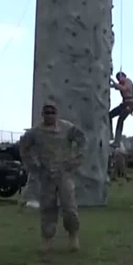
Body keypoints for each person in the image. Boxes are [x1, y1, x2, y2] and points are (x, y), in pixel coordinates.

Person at [19, 102, 86, 252]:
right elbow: (24, 147)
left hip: (64, 173)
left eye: (52, 112)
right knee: (47, 208)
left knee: (69, 207)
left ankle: (73, 235)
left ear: (57, 114)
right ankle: (47, 239)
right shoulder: (36, 132)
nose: (49, 115)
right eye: (46, 113)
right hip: (46, 174)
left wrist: (75, 160)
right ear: (42, 114)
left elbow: (82, 141)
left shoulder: (67, 128)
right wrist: (32, 165)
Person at [109, 71, 133, 143]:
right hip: (124, 104)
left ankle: (117, 140)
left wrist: (113, 82)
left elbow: (124, 88)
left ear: (123, 76)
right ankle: (110, 134)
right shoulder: (121, 83)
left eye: (119, 78)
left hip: (129, 103)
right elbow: (116, 87)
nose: (119, 80)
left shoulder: (128, 81)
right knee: (109, 115)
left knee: (120, 119)